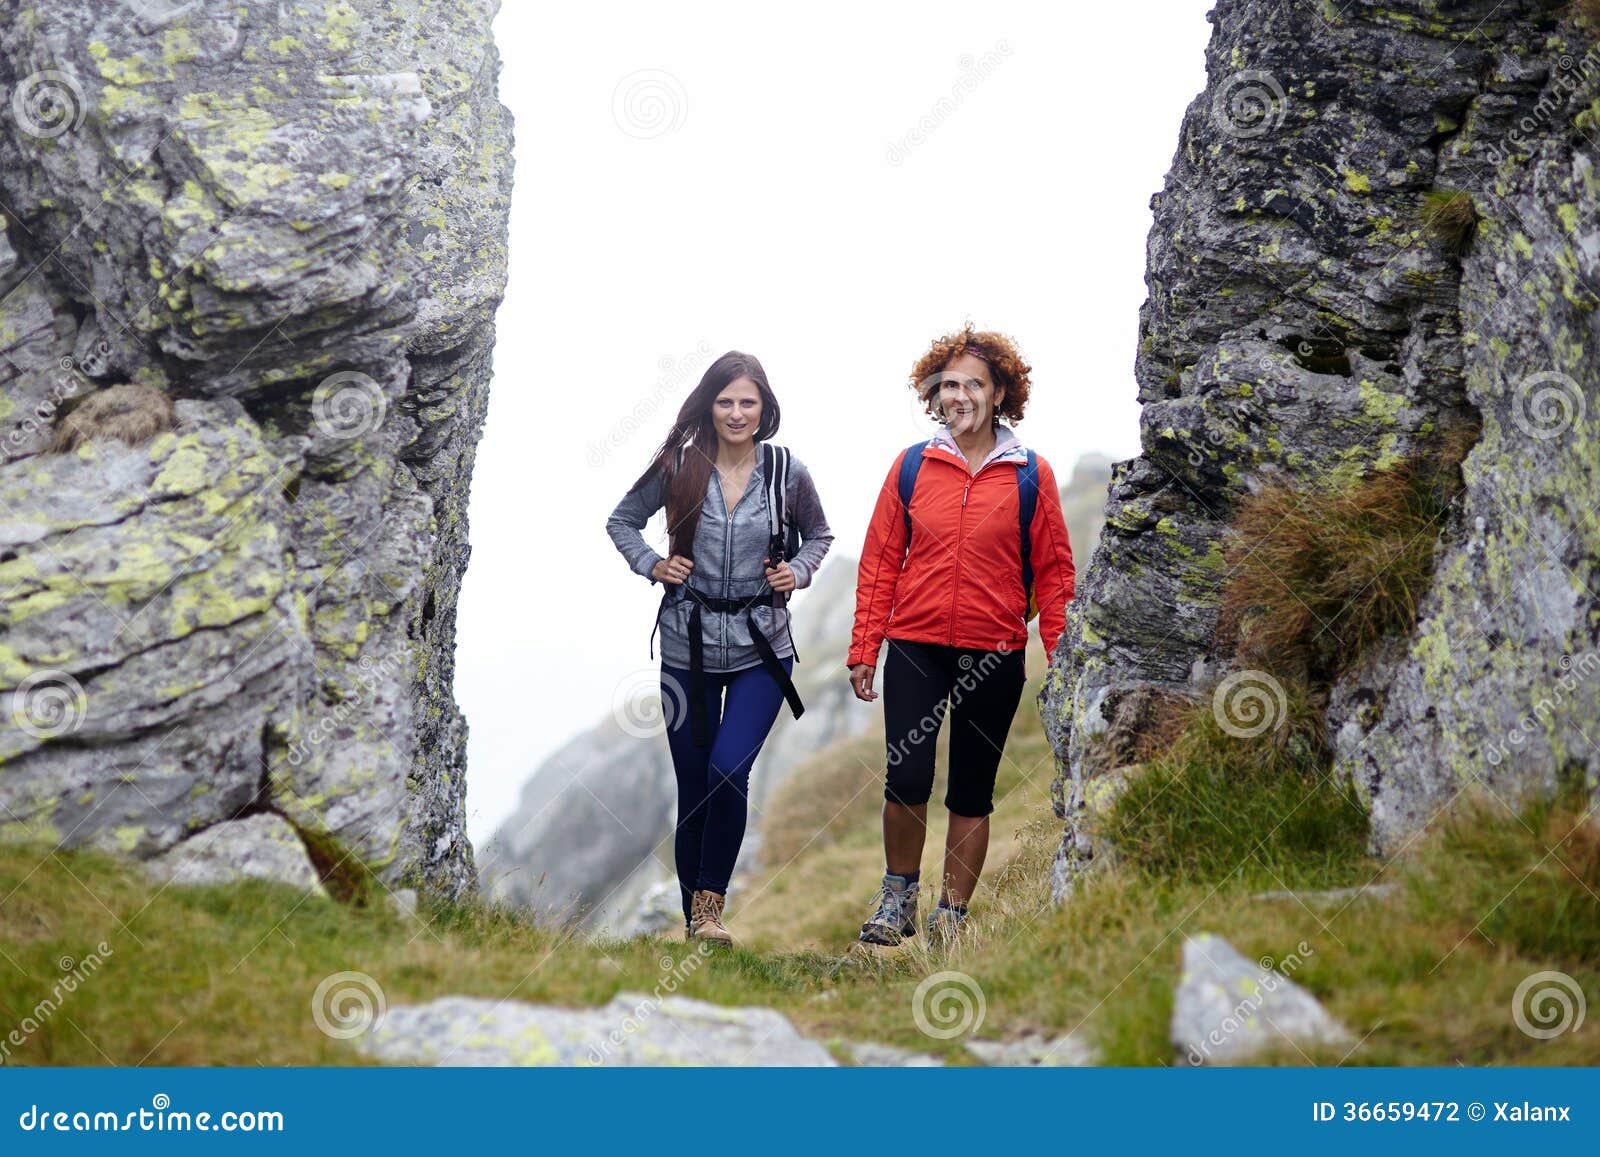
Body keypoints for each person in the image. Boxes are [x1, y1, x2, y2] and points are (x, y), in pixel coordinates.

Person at [846, 325, 1075, 950]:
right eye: (948, 384)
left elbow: (1056, 576)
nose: (959, 395)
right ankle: (897, 899)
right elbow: (880, 561)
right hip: (916, 645)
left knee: (972, 790)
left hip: (994, 651)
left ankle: (950, 917)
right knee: (906, 776)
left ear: (999, 393)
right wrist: (865, 648)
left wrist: (1065, 662)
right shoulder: (913, 466)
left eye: (974, 384)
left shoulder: (1030, 475)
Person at [607, 350, 833, 944]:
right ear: (710, 405)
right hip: (688, 649)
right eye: (726, 401)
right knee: (694, 789)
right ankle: (696, 927)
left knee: (728, 771)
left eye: (747, 402)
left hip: (764, 649)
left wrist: (798, 571)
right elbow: (622, 521)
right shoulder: (679, 466)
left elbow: (820, 534)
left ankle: (710, 908)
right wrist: (653, 565)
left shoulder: (785, 471)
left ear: (764, 408)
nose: (736, 413)